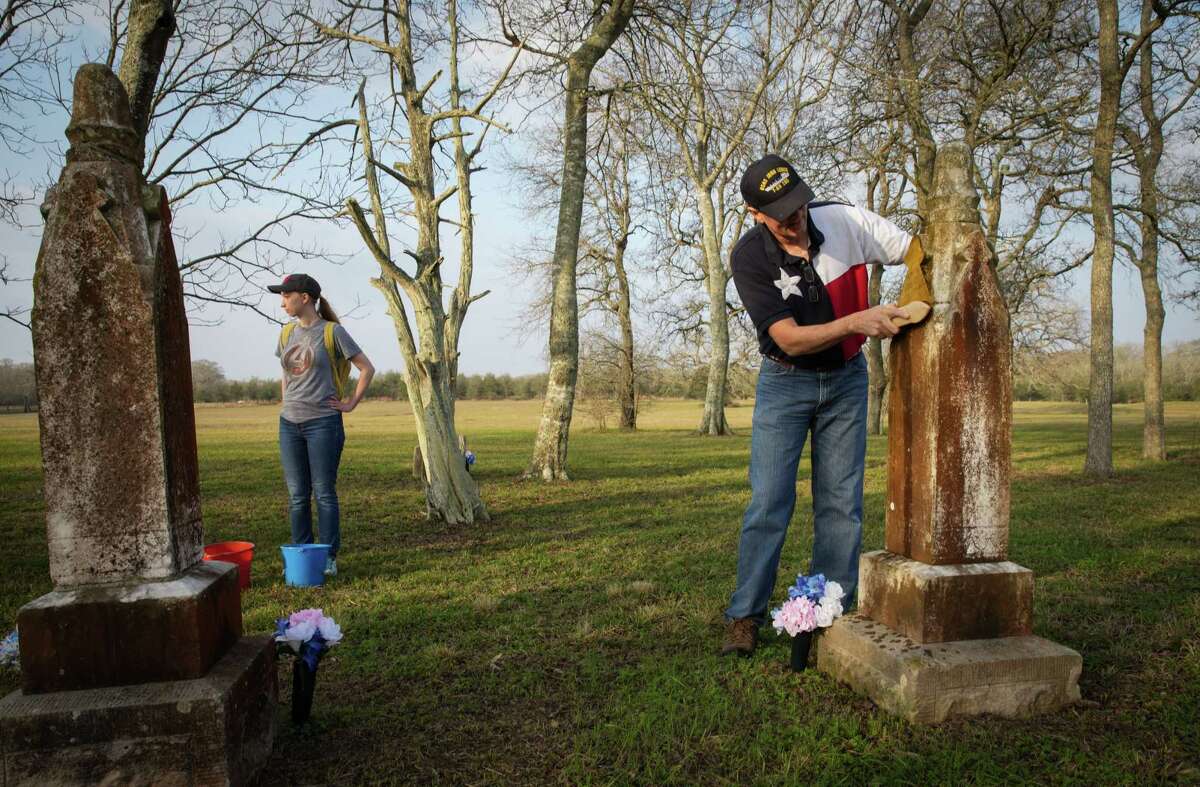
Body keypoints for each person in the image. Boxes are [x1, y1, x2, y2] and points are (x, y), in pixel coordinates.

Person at [720, 154, 928, 657]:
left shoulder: (845, 220)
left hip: (847, 381)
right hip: (785, 384)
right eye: (780, 216)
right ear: (754, 213)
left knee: (841, 503)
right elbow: (788, 340)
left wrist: (915, 303)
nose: (794, 222)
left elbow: (917, 249)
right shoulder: (749, 257)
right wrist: (858, 321)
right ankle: (744, 615)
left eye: (797, 208)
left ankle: (823, 615)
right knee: (769, 501)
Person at [271, 273, 375, 578]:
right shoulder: (285, 333)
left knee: (324, 493)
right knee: (297, 495)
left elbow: (366, 368)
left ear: (304, 298)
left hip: (323, 424)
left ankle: (328, 556)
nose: (282, 302)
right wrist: (286, 403)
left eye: (286, 296)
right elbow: (285, 375)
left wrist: (350, 403)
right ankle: (302, 555)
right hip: (289, 424)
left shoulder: (333, 332)